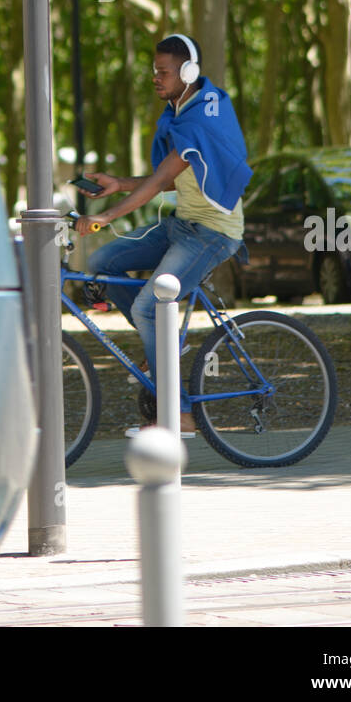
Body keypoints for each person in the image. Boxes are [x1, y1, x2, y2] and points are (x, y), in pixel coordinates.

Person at [74, 33, 251, 436]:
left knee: (146, 307)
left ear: (188, 72)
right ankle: (163, 344)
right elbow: (173, 178)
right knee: (102, 265)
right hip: (183, 223)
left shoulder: (203, 115)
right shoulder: (179, 111)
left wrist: (105, 217)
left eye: (163, 72)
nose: (155, 78)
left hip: (212, 232)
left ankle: (179, 415)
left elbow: (159, 181)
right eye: (154, 71)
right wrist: (117, 184)